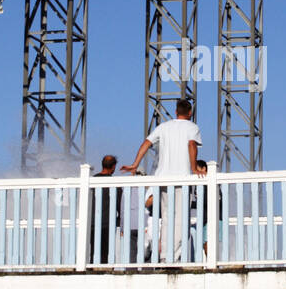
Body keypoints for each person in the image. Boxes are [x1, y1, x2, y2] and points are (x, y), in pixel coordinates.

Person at [122, 98, 204, 260]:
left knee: (167, 217)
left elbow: (147, 142)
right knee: (181, 219)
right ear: (190, 113)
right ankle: (172, 257)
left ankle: (165, 255)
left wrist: (135, 163)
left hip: (162, 178)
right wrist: (194, 168)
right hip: (182, 179)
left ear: (175, 112)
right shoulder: (192, 127)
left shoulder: (163, 127)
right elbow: (192, 145)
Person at [87, 155, 120, 264]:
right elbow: (119, 203)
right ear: (113, 167)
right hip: (107, 223)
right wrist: (120, 219)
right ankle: (104, 269)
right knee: (106, 252)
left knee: (93, 250)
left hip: (91, 222)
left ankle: (93, 268)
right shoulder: (114, 183)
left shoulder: (91, 181)